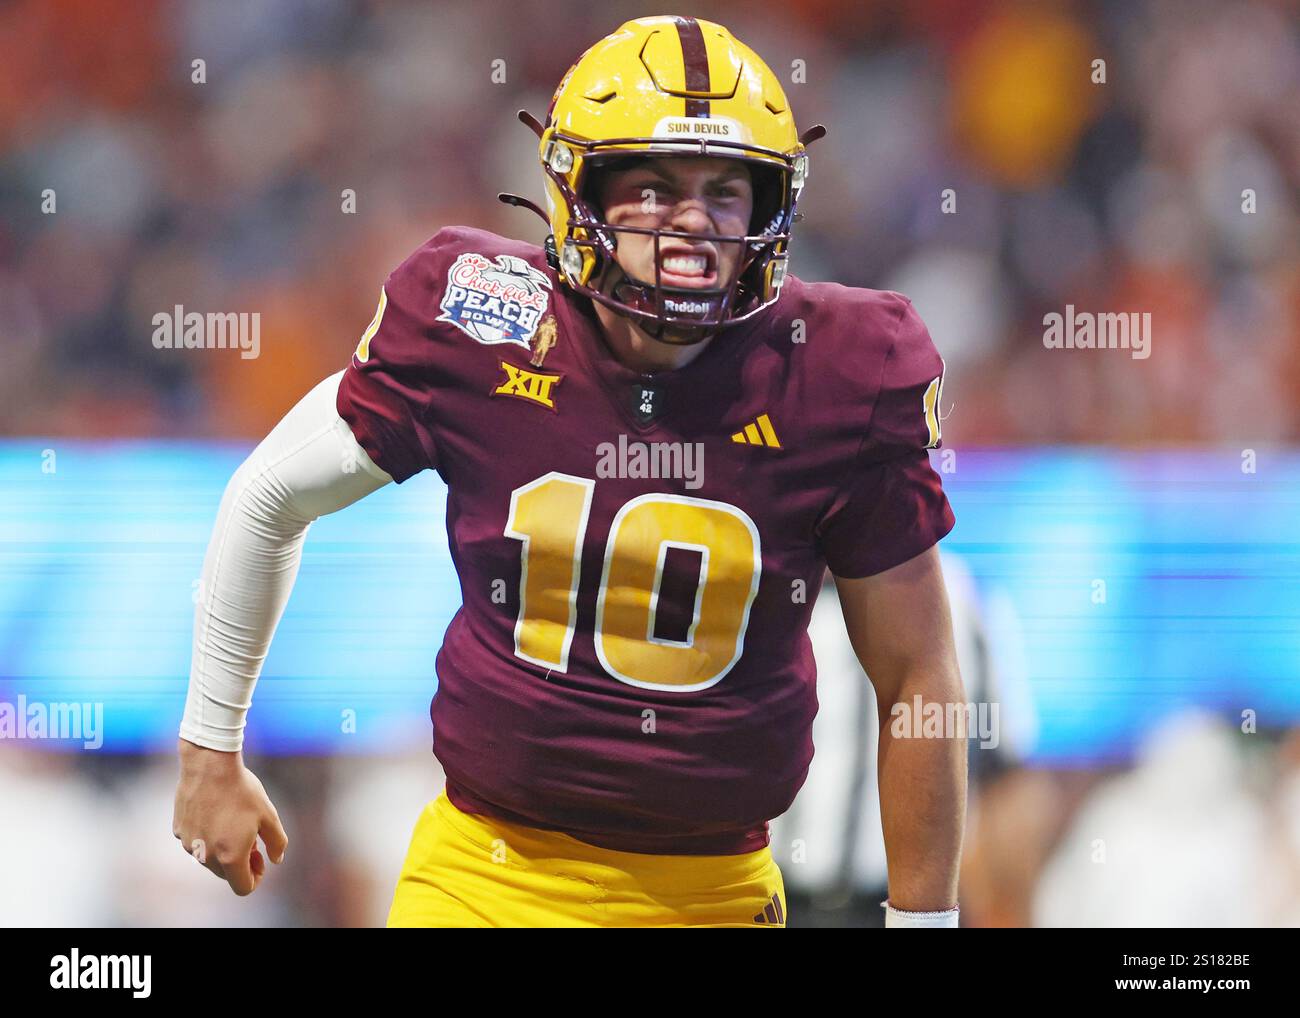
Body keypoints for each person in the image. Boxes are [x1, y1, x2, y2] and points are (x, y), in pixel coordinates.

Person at [173, 14, 966, 928]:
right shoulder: (480, 320)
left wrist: (925, 924)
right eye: (653, 188)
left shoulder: (843, 368)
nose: (694, 222)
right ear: (575, 189)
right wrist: (209, 752)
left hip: (715, 895)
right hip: (485, 881)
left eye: (725, 189)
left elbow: (917, 674)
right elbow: (269, 496)